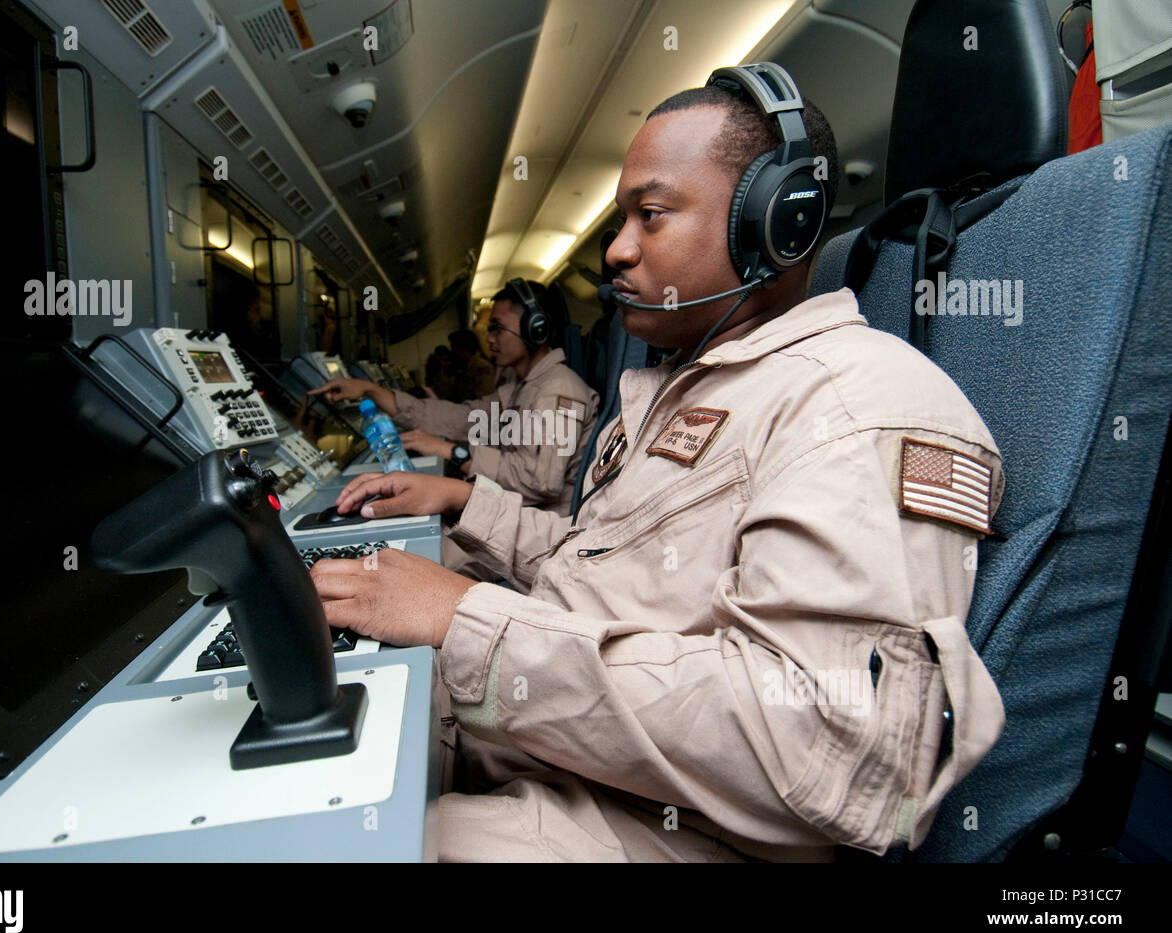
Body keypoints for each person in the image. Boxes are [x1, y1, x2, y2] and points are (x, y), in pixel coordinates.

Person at [310, 63, 1006, 861]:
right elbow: (607, 568)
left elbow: (825, 739)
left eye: (651, 216)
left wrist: (464, 619)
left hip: (641, 824)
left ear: (775, 224)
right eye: (618, 222)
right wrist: (464, 509)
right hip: (556, 754)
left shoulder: (856, 405)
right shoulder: (679, 387)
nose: (615, 252)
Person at [308, 280, 599, 516]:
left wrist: (453, 452)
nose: (489, 338)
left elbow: (539, 481)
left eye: (497, 327)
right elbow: (462, 418)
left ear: (535, 329)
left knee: (415, 554)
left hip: (538, 528)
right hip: (514, 510)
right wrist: (371, 390)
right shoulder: (521, 386)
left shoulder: (558, 390)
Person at [448, 329, 496, 402]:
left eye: (454, 347)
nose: (452, 351)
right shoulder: (463, 368)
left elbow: (484, 399)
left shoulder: (482, 367)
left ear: (464, 349)